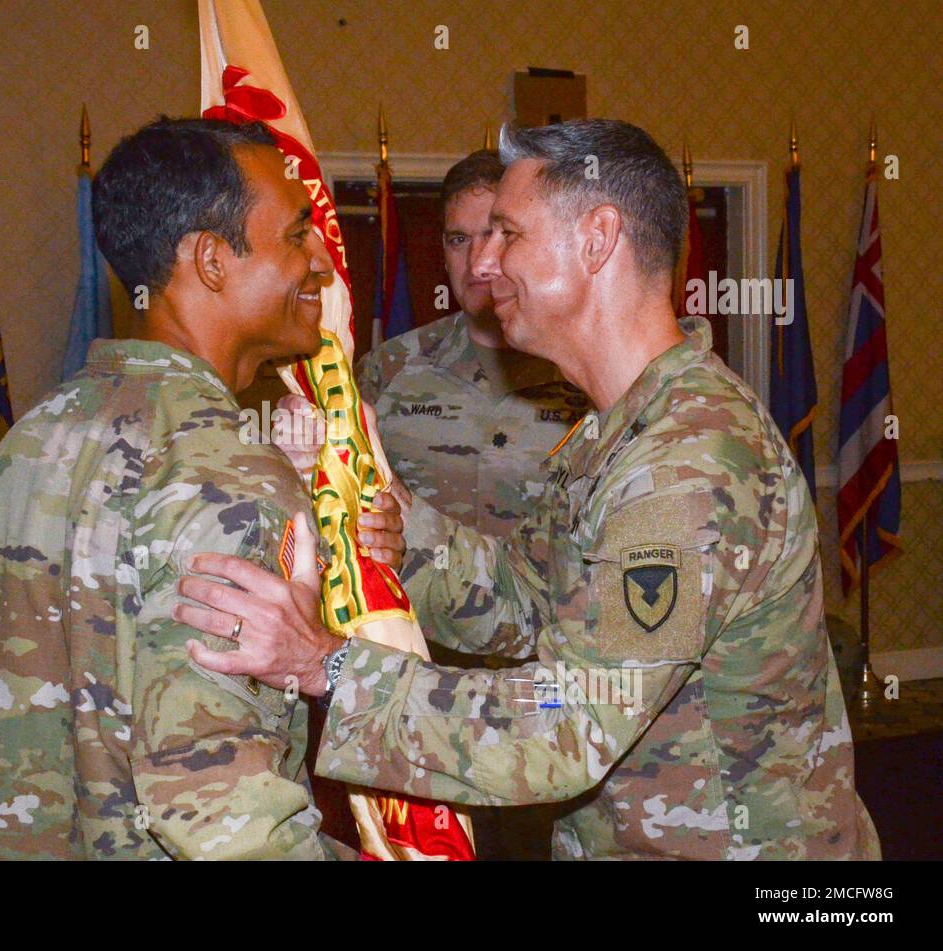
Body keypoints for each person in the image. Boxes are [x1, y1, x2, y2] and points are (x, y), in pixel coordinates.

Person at [175, 118, 881, 860]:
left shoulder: (686, 462)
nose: (483, 263)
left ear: (597, 238)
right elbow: (536, 604)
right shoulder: (614, 429)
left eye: (507, 233)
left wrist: (326, 666)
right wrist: (405, 537)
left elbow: (572, 723)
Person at [0, 118, 382, 860]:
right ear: (214, 261)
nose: (320, 263)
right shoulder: (232, 473)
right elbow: (228, 821)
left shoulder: (35, 433)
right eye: (296, 235)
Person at [356, 149, 589, 858]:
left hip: (550, 699)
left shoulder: (583, 377)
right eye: (457, 239)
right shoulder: (389, 372)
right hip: (425, 683)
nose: (476, 259)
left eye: (496, 234)